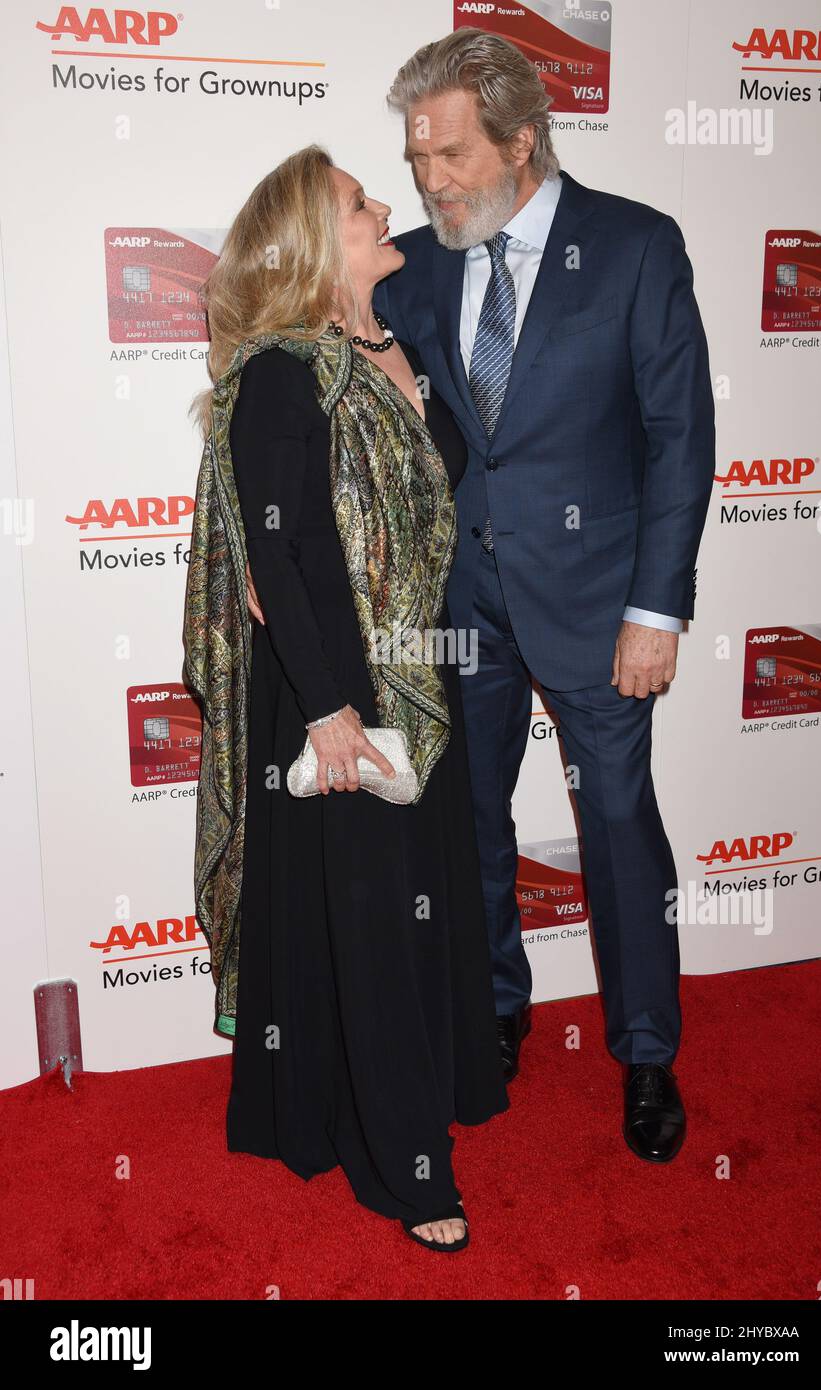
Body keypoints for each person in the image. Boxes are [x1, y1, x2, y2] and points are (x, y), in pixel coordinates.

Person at [371, 29, 716, 1163]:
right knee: (468, 823)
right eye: (419, 158)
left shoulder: (633, 247)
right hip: (464, 601)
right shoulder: (416, 265)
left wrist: (655, 611)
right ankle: (496, 1012)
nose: (429, 181)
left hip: (601, 600)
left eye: (453, 155)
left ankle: (648, 1051)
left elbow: (679, 437)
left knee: (618, 828)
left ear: (523, 140)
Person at [184, 144, 508, 1252]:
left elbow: (431, 495)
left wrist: (408, 375)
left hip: (417, 669)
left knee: (409, 911)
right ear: (319, 246)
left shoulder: (390, 348)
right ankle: (407, 1169)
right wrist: (328, 712)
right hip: (338, 693)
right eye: (360, 204)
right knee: (371, 923)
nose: (384, 209)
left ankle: (386, 1099)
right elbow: (278, 563)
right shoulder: (280, 374)